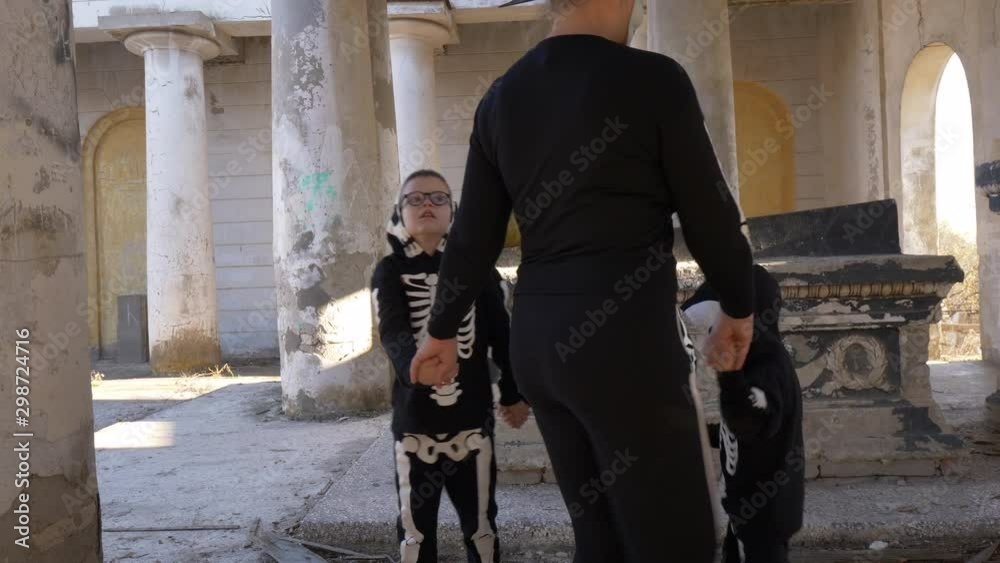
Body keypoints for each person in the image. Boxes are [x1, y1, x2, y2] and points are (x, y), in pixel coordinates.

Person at [408, 0, 756, 560]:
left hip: (542, 344)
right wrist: (738, 305)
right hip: (625, 340)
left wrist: (440, 331)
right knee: (675, 541)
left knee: (600, 538)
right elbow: (709, 213)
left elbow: (472, 237)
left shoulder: (502, 96)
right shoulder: (653, 79)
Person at [370, 169, 531, 563]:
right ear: (399, 213)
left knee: (482, 531)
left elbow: (503, 336)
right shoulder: (389, 273)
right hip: (414, 431)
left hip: (473, 428)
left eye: (438, 198)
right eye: (415, 198)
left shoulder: (479, 273)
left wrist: (514, 393)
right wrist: (415, 367)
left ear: (453, 212)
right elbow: (392, 332)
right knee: (413, 535)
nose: (427, 204)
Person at [683, 264, 805, 563]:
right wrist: (696, 431)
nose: (711, 336)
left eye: (717, 326)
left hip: (765, 517)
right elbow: (738, 431)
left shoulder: (767, 364)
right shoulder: (754, 359)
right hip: (745, 511)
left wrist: (730, 374)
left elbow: (752, 423)